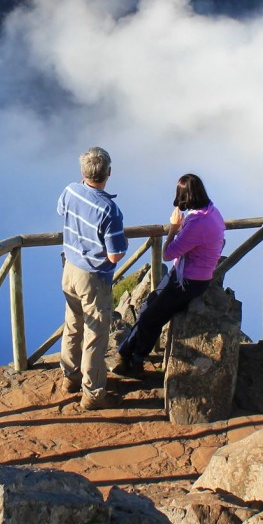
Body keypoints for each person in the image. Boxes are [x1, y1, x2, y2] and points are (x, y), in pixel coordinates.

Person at [114, 173, 225, 376]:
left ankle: (135, 360)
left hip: (188, 281)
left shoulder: (197, 224)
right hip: (188, 274)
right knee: (147, 308)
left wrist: (173, 227)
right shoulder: (212, 212)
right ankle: (125, 354)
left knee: (150, 318)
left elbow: (167, 254)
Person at [57, 146, 127, 410]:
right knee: (96, 335)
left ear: (82, 172)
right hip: (93, 277)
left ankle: (70, 379)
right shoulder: (110, 210)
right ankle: (94, 394)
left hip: (69, 269)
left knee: (73, 325)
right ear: (108, 173)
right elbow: (115, 255)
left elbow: (61, 211)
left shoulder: (70, 191)